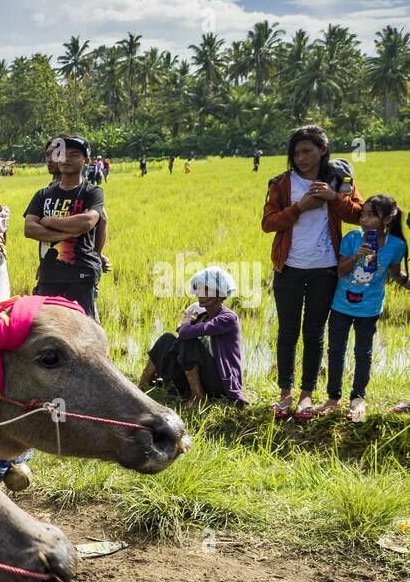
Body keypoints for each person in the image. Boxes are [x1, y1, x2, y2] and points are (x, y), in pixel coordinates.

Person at [261, 124, 364, 419]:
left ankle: (306, 395)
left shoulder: (339, 179)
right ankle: (285, 393)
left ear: (323, 150)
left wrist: (334, 197)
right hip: (289, 268)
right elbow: (268, 223)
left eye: (307, 151)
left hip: (325, 269)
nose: (301, 158)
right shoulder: (281, 183)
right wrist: (301, 207)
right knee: (287, 331)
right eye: (296, 153)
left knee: (315, 332)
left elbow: (360, 215)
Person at [320, 194, 407, 421]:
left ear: (387, 220)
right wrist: (357, 255)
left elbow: (396, 274)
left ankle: (357, 399)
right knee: (335, 350)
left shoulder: (396, 245)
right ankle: (333, 398)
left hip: (369, 309)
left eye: (371, 215)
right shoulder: (352, 238)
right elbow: (341, 271)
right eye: (363, 214)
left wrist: (406, 283)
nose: (364, 220)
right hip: (341, 305)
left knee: (363, 353)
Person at [23, 135, 105, 319]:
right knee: (47, 327)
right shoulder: (43, 194)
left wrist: (49, 221)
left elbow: (87, 222)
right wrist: (70, 232)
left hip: (81, 273)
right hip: (49, 274)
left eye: (73, 155)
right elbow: (29, 229)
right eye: (62, 154)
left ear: (86, 161)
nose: (66, 159)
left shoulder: (92, 192)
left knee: (84, 327)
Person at [140, 266, 246, 406]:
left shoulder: (228, 318)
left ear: (220, 294)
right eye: (199, 288)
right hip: (204, 377)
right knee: (166, 339)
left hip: (221, 383)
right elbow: (182, 332)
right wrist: (187, 324)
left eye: (207, 289)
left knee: (188, 341)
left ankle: (198, 397)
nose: (200, 293)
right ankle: (141, 385)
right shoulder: (203, 315)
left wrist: (186, 320)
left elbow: (185, 332)